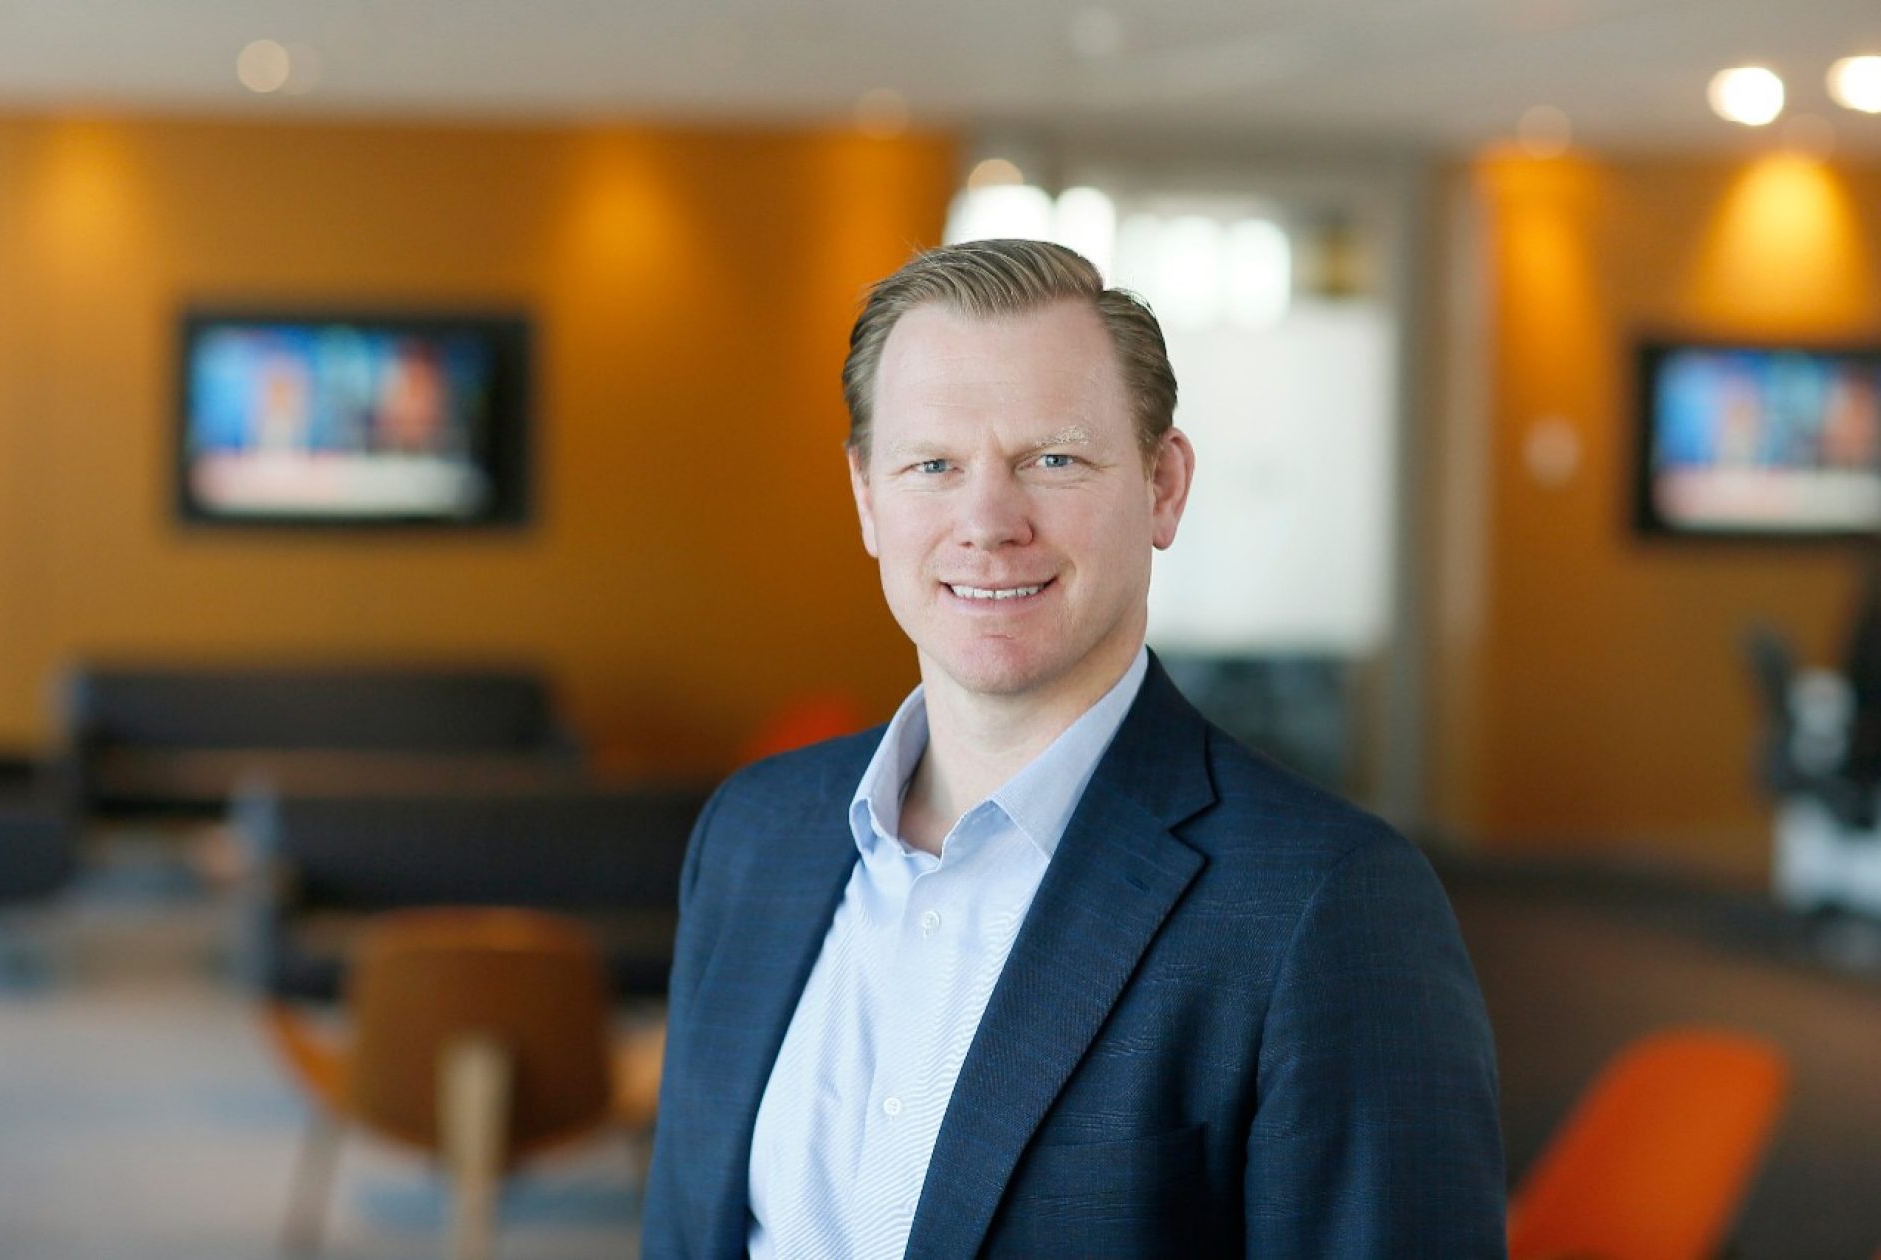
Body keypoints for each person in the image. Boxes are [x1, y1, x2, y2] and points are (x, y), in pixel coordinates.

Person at [643, 239, 1505, 1258]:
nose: (987, 522)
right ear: (868, 498)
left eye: (1052, 460)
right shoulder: (751, 837)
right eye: (933, 466)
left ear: (1164, 485)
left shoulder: (1328, 906)